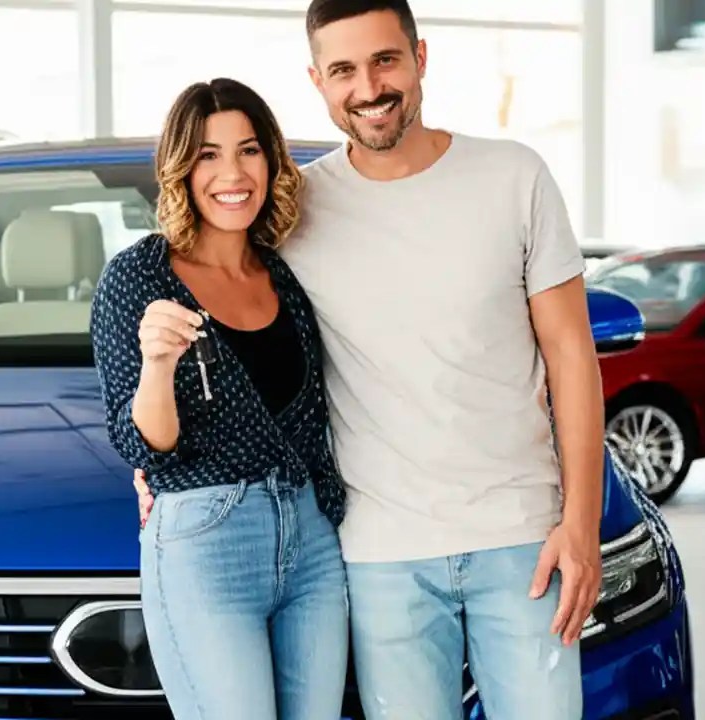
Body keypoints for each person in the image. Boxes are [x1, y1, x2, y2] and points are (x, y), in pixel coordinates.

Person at [134, 1, 606, 718]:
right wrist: (153, 459)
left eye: (385, 60)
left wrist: (582, 524)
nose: (369, 87)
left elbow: (573, 356)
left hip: (523, 540)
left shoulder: (515, 176)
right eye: (344, 70)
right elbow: (234, 324)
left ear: (421, 56)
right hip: (381, 552)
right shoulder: (293, 211)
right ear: (318, 81)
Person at [89, 77, 350, 720]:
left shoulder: (286, 273)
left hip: (313, 542)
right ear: (181, 166)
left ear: (271, 161)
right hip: (208, 544)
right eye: (208, 154)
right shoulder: (140, 276)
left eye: (249, 150)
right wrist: (157, 364)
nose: (232, 172)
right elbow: (144, 444)